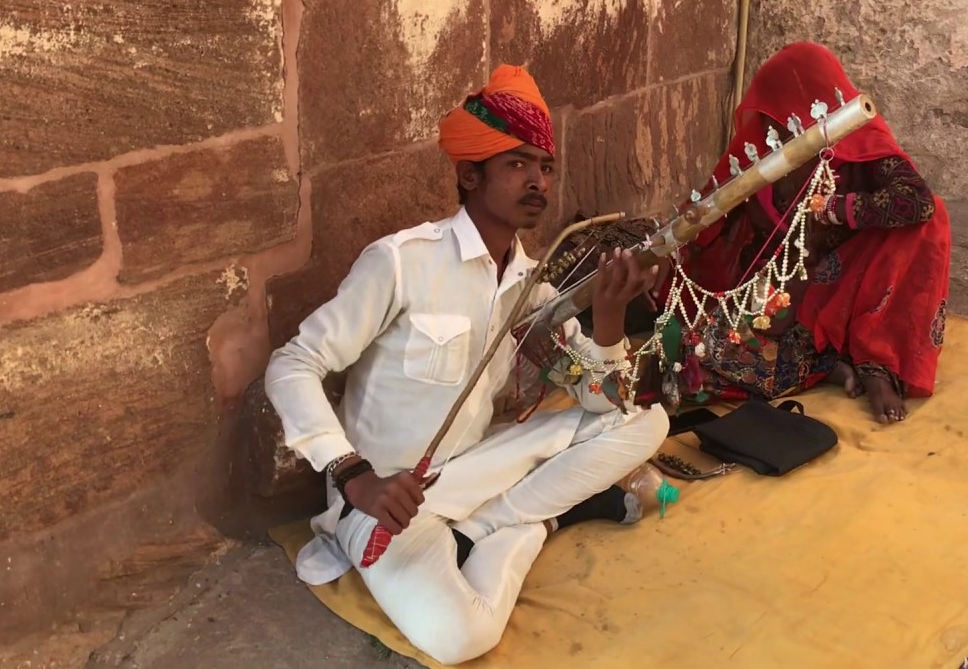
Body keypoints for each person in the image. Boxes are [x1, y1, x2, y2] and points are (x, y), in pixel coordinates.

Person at [265, 65, 669, 665]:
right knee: (464, 638)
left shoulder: (531, 290)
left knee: (645, 422)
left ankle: (485, 528)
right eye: (517, 164)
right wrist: (355, 476)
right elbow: (291, 363)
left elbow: (600, 399)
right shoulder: (403, 262)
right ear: (469, 174)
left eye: (545, 167)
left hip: (476, 473)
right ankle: (535, 524)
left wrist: (609, 323)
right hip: (386, 500)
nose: (537, 181)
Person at [655, 42, 952, 425]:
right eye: (769, 115)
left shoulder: (859, 143)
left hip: (847, 290)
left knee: (931, 223)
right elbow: (711, 216)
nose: (776, 127)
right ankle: (826, 364)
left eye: (782, 113)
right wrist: (668, 257)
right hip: (783, 295)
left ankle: (875, 363)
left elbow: (918, 203)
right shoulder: (763, 149)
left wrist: (834, 209)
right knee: (691, 358)